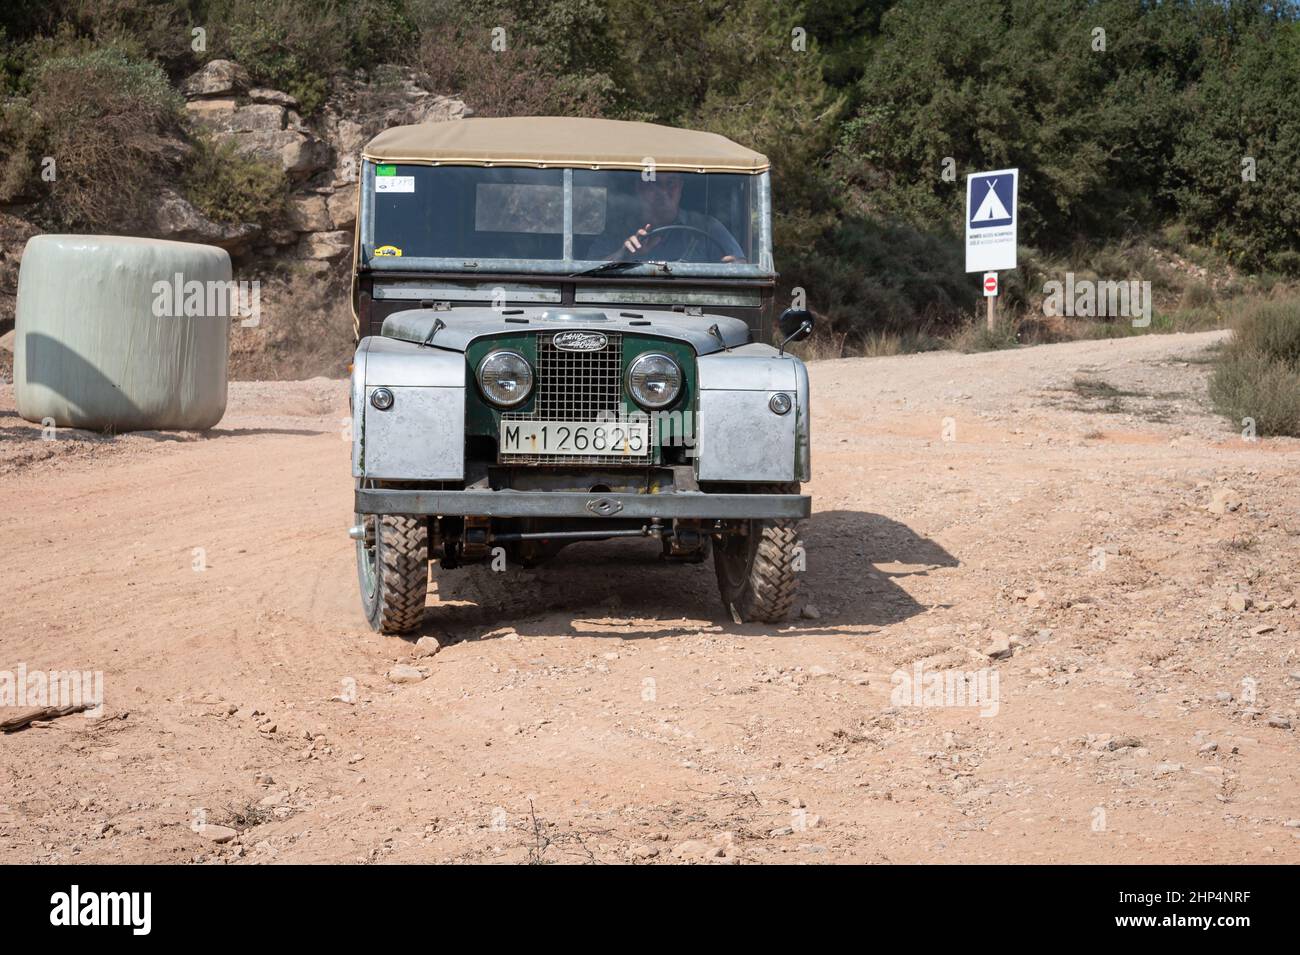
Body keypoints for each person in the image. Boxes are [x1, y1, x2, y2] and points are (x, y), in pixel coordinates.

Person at [604, 173, 746, 263]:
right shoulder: (618, 229)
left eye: (671, 183)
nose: (663, 191)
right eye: (654, 184)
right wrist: (623, 255)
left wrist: (734, 267)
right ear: (640, 187)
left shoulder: (707, 227)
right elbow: (589, 272)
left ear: (680, 187)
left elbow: (741, 267)